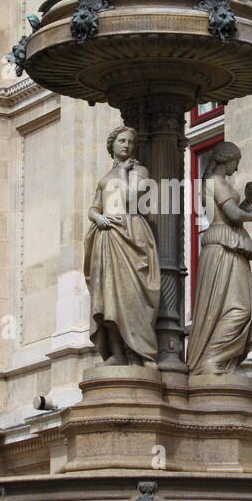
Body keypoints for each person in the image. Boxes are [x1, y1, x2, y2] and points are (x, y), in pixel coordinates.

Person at [84, 124, 160, 365]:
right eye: (122, 141)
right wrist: (98, 218)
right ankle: (116, 353)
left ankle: (142, 352)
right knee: (108, 298)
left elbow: (131, 199)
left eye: (130, 142)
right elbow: (94, 208)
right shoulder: (105, 178)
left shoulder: (140, 171)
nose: (126, 145)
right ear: (112, 145)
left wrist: (126, 173)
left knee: (132, 294)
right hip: (108, 237)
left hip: (131, 233)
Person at [187, 141, 252, 375]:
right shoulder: (214, 183)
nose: (236, 168)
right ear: (225, 159)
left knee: (237, 308)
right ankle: (211, 359)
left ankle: (217, 359)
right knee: (237, 310)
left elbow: (235, 212)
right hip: (224, 245)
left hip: (231, 243)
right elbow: (231, 213)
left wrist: (248, 200)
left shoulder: (220, 183)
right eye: (235, 162)